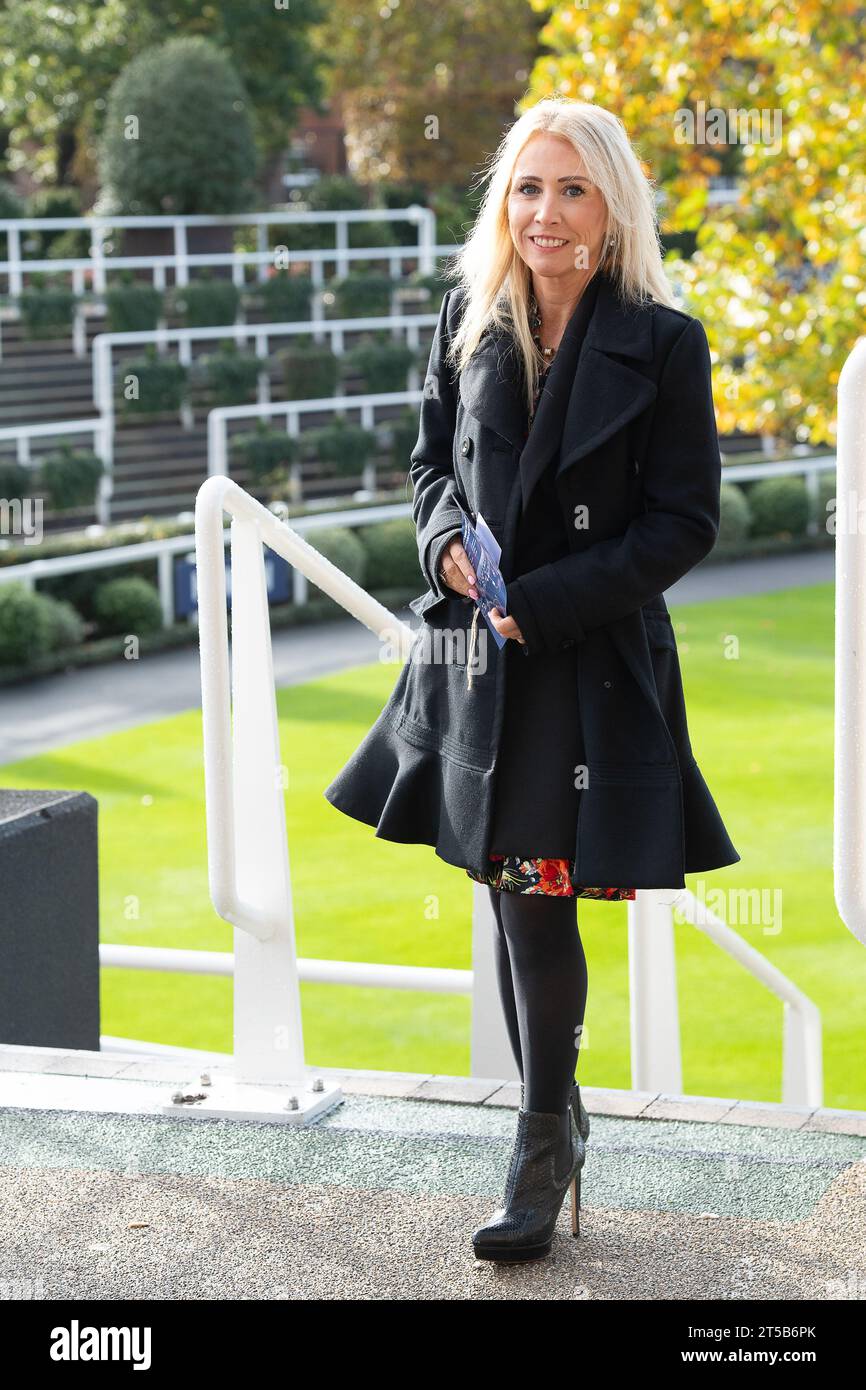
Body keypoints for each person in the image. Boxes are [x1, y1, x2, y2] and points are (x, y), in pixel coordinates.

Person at [324, 96, 740, 1262]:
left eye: (569, 190)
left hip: (587, 665)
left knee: (537, 896)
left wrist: (539, 602)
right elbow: (424, 467)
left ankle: (536, 1141)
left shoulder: (663, 341)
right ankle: (552, 1127)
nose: (543, 212)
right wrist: (442, 544)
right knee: (514, 899)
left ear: (610, 211)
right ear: (502, 203)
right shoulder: (468, 313)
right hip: (471, 668)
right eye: (525, 188)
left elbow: (681, 524)